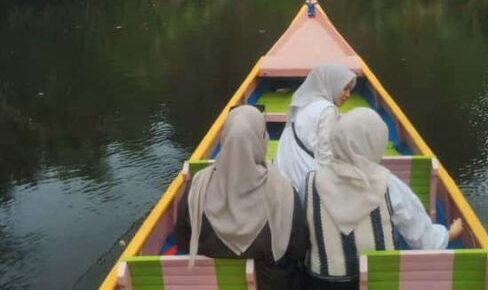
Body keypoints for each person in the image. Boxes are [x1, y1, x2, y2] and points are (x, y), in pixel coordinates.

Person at [304, 108, 464, 290]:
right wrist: (449, 234)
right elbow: (423, 240)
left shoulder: (310, 181)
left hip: (320, 284)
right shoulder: (389, 185)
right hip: (378, 284)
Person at [174, 105, 307, 290]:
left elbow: (182, 240)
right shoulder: (283, 192)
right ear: (261, 140)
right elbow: (298, 250)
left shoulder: (195, 188)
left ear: (224, 138)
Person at [275, 63, 357, 200]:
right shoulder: (327, 110)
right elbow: (325, 153)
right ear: (333, 84)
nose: (348, 95)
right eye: (345, 89)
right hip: (306, 179)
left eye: (350, 90)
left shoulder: (302, 102)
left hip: (284, 173)